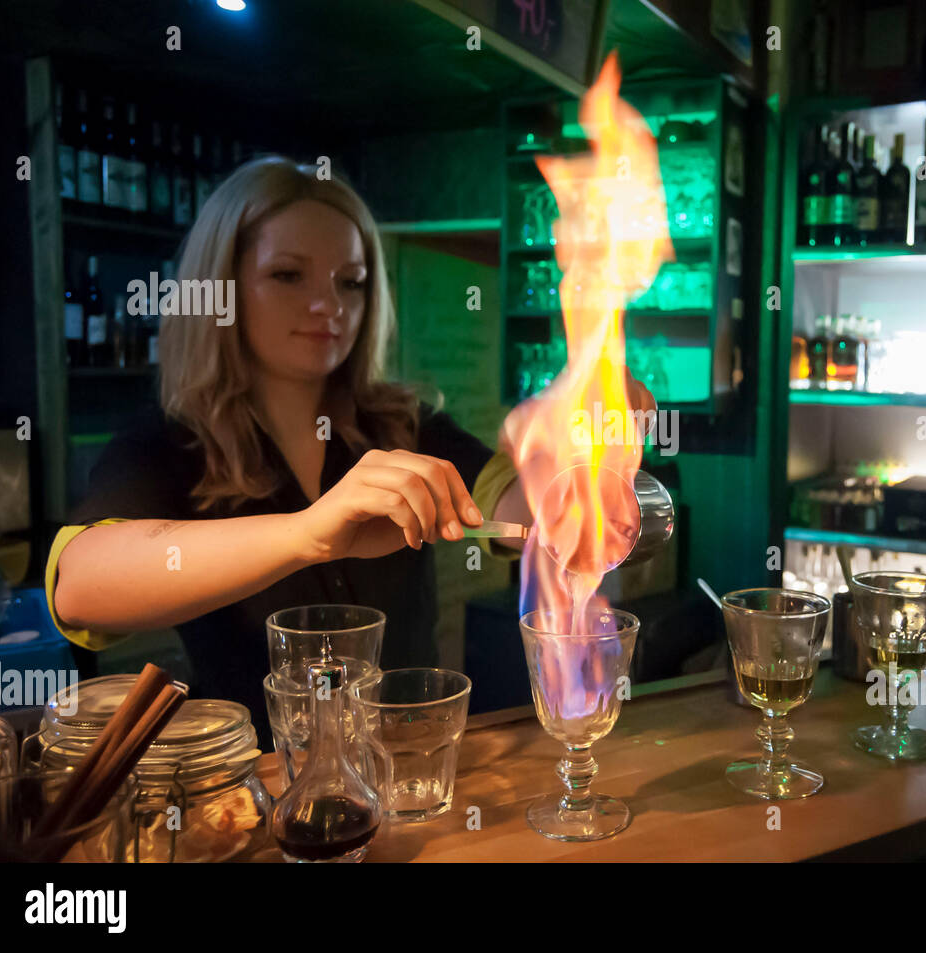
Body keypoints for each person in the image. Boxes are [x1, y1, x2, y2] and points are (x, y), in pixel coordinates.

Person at [47, 156, 655, 739]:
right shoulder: (169, 442)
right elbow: (78, 587)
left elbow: (520, 513)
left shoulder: (402, 424)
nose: (329, 305)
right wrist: (306, 533)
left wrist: (582, 464)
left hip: (416, 770)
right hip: (260, 794)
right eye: (288, 275)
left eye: (352, 282)